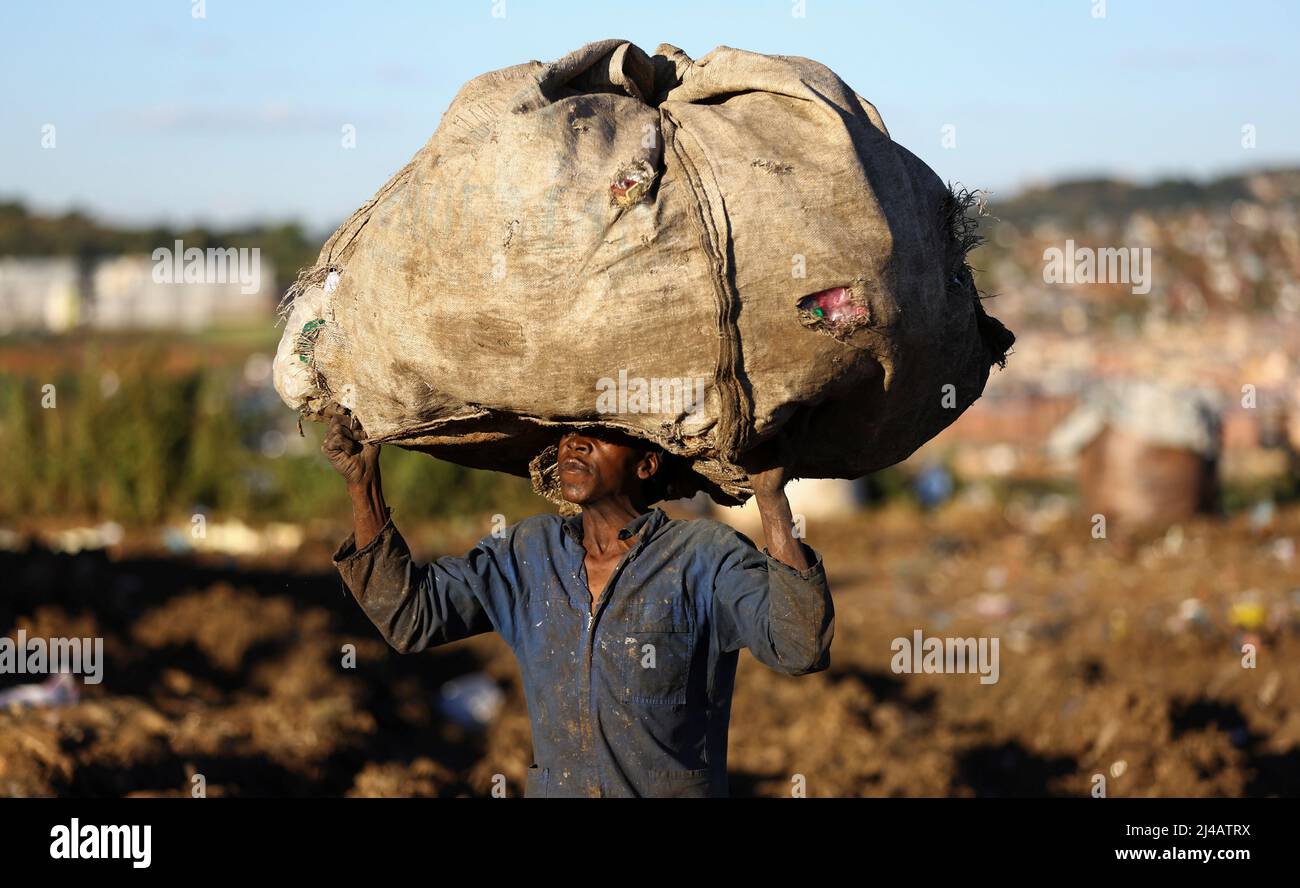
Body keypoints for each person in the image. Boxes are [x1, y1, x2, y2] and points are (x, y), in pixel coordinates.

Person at [322, 405, 834, 798]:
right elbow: (411, 617)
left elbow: (799, 647)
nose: (574, 444)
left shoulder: (703, 557)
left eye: (598, 434)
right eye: (566, 434)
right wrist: (363, 484)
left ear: (647, 464)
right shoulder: (528, 555)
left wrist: (770, 500)